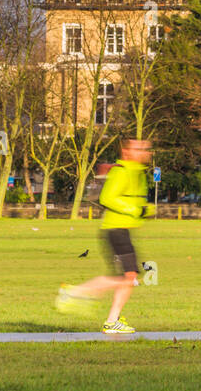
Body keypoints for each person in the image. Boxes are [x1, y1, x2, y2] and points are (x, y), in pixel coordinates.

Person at [57, 138, 156, 333]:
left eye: (146, 149)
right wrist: (136, 210)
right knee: (128, 278)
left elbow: (135, 202)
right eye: (139, 149)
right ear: (127, 153)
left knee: (129, 276)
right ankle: (74, 293)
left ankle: (112, 320)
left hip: (123, 230)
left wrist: (145, 209)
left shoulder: (138, 174)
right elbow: (107, 198)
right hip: (115, 230)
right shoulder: (122, 171)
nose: (145, 152)